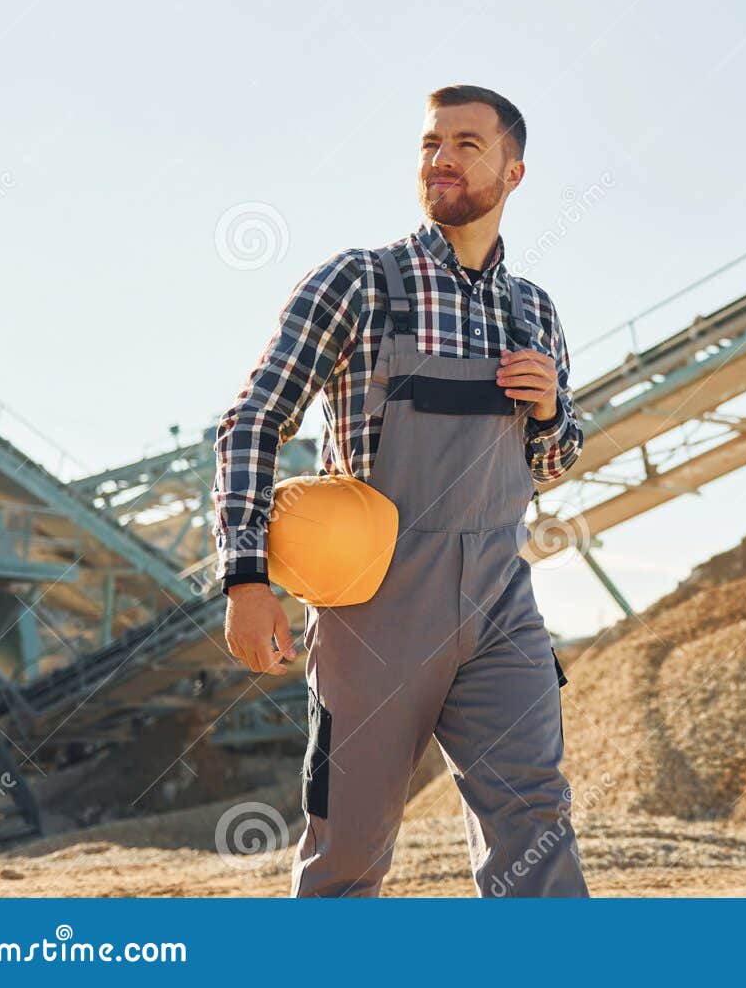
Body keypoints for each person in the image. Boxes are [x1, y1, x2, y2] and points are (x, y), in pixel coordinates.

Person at [212, 85, 589, 898]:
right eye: (429, 144)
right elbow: (252, 421)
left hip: (498, 597)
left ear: (514, 172)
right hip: (373, 607)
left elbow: (556, 464)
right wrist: (246, 578)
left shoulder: (536, 315)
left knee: (536, 822)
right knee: (347, 850)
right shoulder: (359, 283)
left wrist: (553, 408)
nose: (441, 159)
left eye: (465, 144)